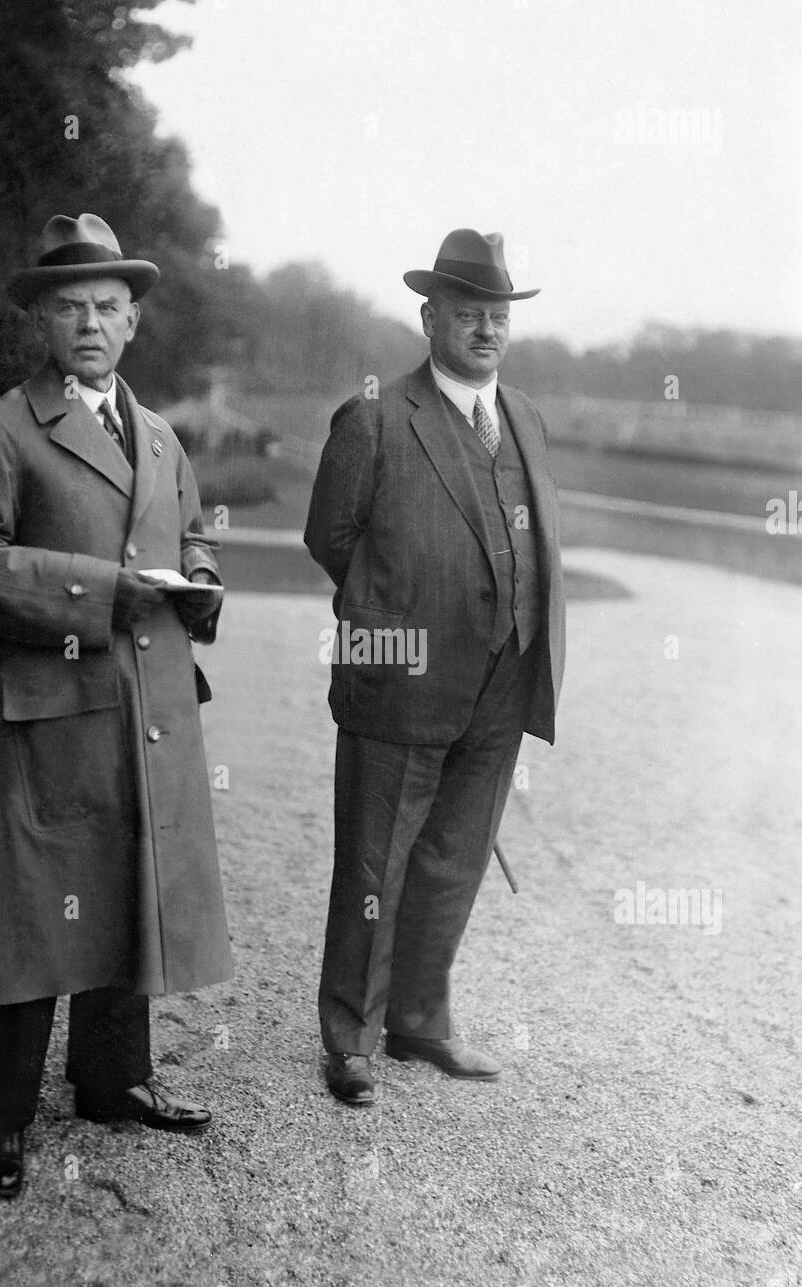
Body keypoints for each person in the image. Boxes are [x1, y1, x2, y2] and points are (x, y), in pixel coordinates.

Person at [0, 213, 233, 1198]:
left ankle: (114, 1080)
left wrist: (200, 577)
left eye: (109, 307)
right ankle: (2, 1125)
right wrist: (106, 590)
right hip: (50, 708)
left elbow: (194, 534)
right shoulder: (1, 429)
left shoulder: (158, 434)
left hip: (147, 704)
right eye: (70, 308)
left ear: (135, 323)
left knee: (128, 888)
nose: (92, 324)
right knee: (33, 915)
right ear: (40, 323)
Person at [304, 228, 565, 1106]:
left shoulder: (522, 417)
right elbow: (329, 538)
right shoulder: (376, 416)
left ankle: (419, 1021)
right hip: (400, 677)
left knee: (452, 858)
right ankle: (350, 1037)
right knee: (374, 866)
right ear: (429, 318)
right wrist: (396, 614)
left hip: (504, 677)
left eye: (496, 316)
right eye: (467, 314)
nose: (485, 330)